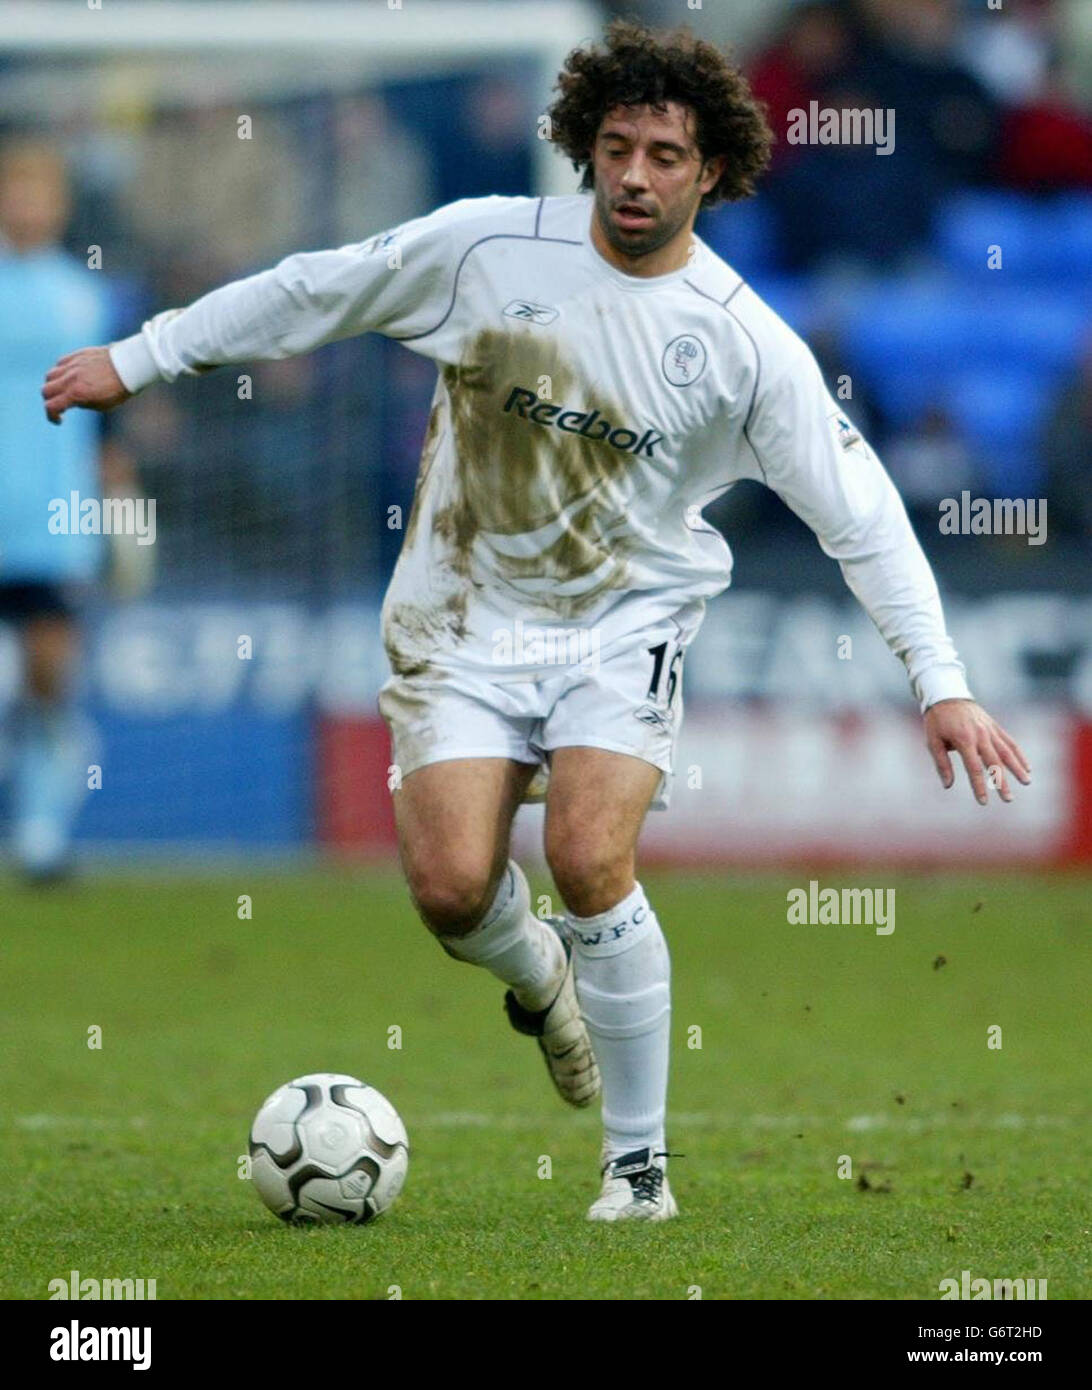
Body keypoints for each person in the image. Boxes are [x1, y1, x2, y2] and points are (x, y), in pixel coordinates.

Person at [42, 21, 1030, 1221]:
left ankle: (637, 1168)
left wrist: (941, 680)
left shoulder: (743, 343)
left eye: (666, 154)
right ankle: (544, 978)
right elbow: (319, 288)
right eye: (617, 146)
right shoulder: (485, 246)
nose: (635, 174)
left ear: (709, 169)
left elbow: (863, 513)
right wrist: (143, 357)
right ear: (584, 146)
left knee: (585, 855)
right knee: (455, 889)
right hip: (461, 613)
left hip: (625, 618)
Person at [0, 138, 110, 880]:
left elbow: (117, 409)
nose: (26, 205)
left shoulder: (89, 294)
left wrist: (123, 507)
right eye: (16, 190)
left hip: (56, 522)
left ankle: (41, 831)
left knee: (47, 679)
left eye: (39, 191)